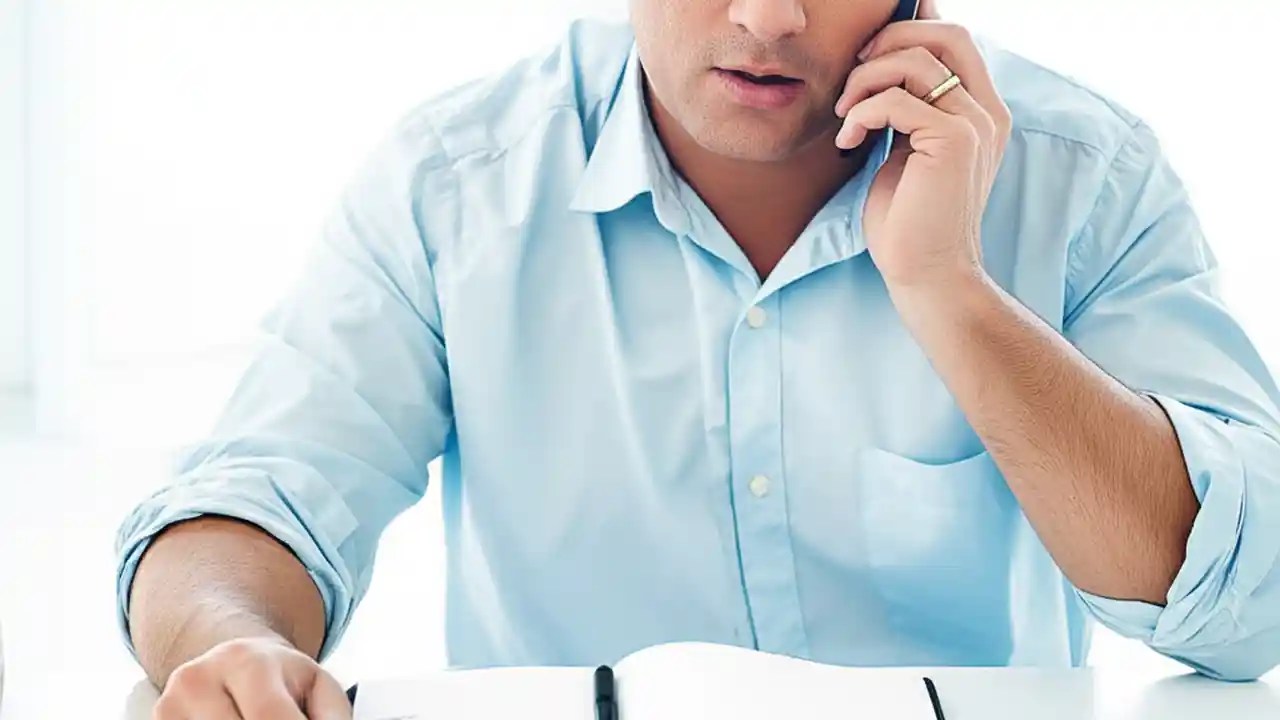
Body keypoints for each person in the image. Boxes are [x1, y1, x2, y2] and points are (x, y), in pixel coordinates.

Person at [117, 0, 1280, 717]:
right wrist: (236, 650)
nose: (769, 16)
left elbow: (1245, 613)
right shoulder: (454, 181)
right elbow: (256, 496)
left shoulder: (1084, 171)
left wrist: (948, 289)